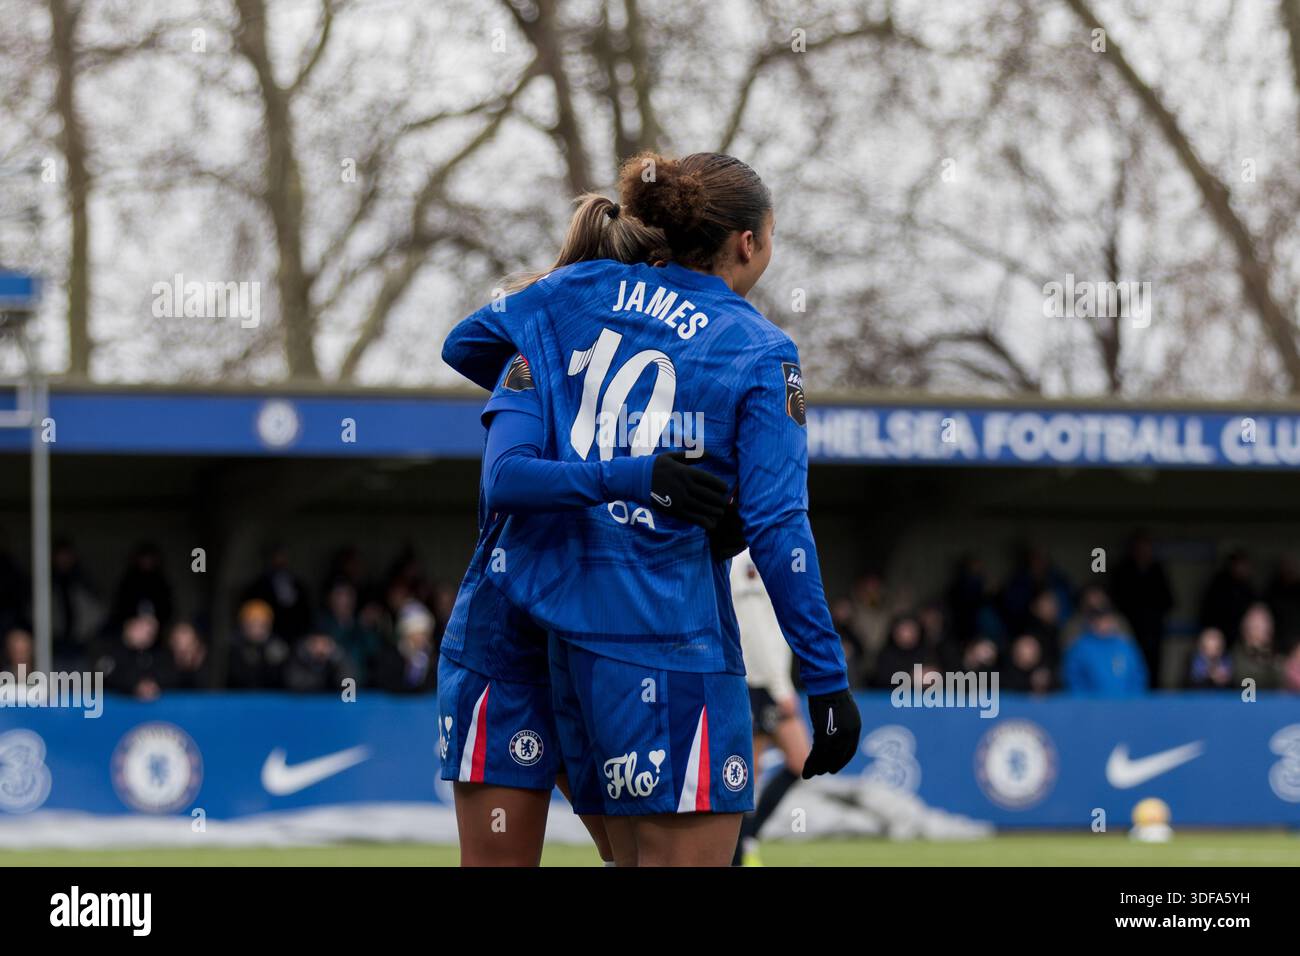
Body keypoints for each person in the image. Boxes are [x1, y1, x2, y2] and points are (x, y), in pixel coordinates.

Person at [443, 151, 860, 866]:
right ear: (749, 243)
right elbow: (777, 526)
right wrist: (825, 678)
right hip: (654, 629)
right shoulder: (761, 350)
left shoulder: (568, 301)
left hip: (512, 609)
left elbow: (465, 346)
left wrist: (561, 367)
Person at [436, 193, 731, 865]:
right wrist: (563, 288)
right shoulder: (535, 361)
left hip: (605, 654)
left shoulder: (661, 381)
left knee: (632, 856)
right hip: (507, 651)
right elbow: (504, 478)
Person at [728, 548, 812, 867]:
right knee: (746, 776)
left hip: (771, 681)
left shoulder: (773, 551)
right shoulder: (745, 557)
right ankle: (735, 854)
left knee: (800, 761)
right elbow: (752, 628)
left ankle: (748, 837)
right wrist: (780, 686)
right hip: (755, 681)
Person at [1109, 531, 1174, 687]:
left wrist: (1153, 611)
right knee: (1128, 667)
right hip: (1129, 630)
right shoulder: (1123, 570)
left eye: (1146, 547)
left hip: (1153, 632)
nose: (1143, 551)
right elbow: (1116, 600)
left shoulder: (1157, 570)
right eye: (1139, 547)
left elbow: (1169, 600)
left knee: (1153, 670)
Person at [1061, 608, 1147, 697]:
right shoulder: (1080, 648)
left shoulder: (1125, 646)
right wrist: (1084, 701)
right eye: (1100, 620)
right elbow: (1073, 678)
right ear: (1092, 623)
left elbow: (1138, 675)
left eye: (1107, 620)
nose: (1104, 624)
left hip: (1124, 705)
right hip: (1091, 707)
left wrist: (1133, 699)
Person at [96, 613, 163, 700]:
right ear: (129, 626)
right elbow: (100, 676)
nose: (147, 633)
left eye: (152, 630)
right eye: (141, 627)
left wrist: (153, 685)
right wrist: (135, 685)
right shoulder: (109, 649)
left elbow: (168, 675)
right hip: (112, 706)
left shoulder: (157, 653)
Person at [227, 599, 289, 690]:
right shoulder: (233, 646)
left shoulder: (277, 646)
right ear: (243, 625)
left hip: (272, 697)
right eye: (252, 624)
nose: (256, 629)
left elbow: (282, 678)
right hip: (240, 697)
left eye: (261, 624)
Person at [1231, 602, 1280, 690]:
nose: (1263, 628)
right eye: (1257, 625)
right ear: (1245, 628)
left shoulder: (1277, 659)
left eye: (1266, 623)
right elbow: (1244, 679)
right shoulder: (1234, 657)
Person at [157, 621, 213, 690]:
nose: (181, 637)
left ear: (194, 637)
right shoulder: (164, 658)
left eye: (185, 633)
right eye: (178, 633)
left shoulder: (205, 657)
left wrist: (195, 660)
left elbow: (209, 687)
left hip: (200, 699)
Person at [1184, 626, 1232, 690]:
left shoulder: (1227, 661)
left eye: (1217, 648)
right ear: (1201, 648)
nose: (1213, 654)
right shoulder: (1192, 662)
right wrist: (1209, 676)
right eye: (1208, 648)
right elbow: (1191, 680)